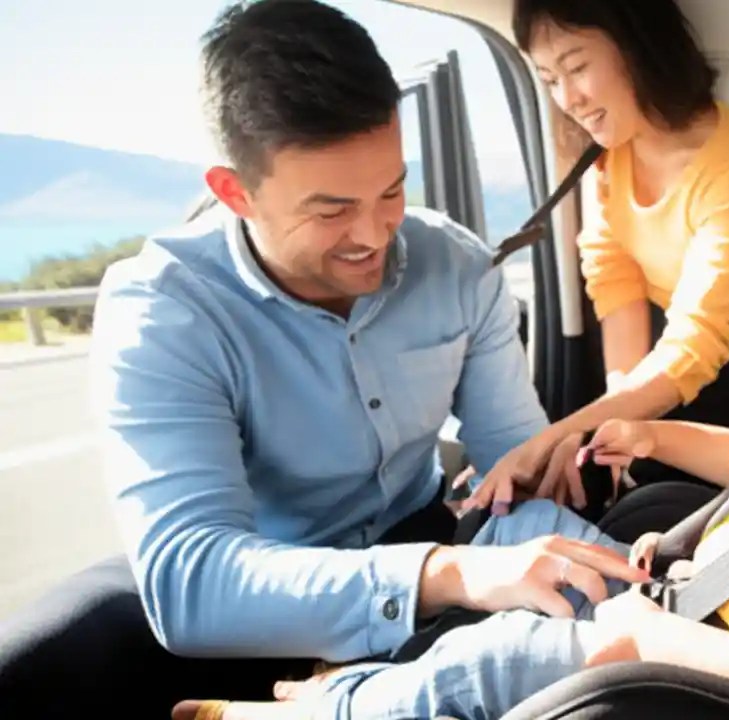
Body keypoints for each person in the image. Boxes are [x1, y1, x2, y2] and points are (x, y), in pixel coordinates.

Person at [173, 177, 729, 720]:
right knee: (536, 527)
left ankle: (336, 708)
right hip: (684, 596)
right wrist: (656, 437)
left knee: (504, 651)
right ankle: (388, 672)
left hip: (696, 667)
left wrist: (652, 632)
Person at [0, 2, 647, 716]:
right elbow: (191, 582)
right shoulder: (162, 310)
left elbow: (513, 473)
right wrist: (451, 573)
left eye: (394, 190)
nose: (374, 234)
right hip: (259, 599)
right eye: (331, 210)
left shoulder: (458, 267)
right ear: (234, 192)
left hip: (427, 535)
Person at [464, 0, 729, 513]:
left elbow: (699, 339)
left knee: (660, 510)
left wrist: (560, 436)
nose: (567, 97)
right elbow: (616, 282)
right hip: (647, 361)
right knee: (588, 487)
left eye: (577, 68)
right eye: (549, 79)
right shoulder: (608, 151)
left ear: (637, 48)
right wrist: (612, 421)